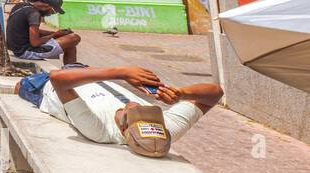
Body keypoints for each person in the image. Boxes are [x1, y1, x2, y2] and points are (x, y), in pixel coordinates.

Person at [24, 64, 223, 156]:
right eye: (149, 112)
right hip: (87, 73)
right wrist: (182, 94)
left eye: (133, 112)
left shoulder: (100, 130)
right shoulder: (166, 128)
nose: (135, 105)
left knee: (19, 87)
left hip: (46, 88)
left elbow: (58, 78)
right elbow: (215, 94)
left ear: (123, 129)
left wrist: (121, 72)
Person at [5, 0, 80, 64]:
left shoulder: (21, 6)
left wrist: (57, 33)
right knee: (74, 38)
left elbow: (32, 31)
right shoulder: (34, 14)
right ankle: (70, 70)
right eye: (53, 11)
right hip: (26, 51)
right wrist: (54, 35)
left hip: (17, 49)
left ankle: (70, 70)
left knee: (69, 42)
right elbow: (35, 43)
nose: (52, 14)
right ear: (47, 6)